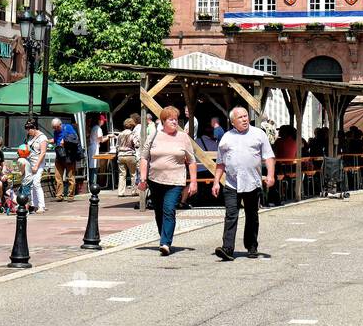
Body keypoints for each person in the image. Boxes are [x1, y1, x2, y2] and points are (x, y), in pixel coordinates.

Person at [213, 106, 276, 260]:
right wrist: (216, 182)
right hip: (232, 183)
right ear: (233, 122)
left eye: (246, 116)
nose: (244, 119)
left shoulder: (258, 134)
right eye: (240, 117)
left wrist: (271, 175)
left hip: (252, 183)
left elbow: (268, 157)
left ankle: (252, 246)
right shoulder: (226, 138)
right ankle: (227, 248)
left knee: (252, 215)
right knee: (231, 215)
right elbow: (220, 163)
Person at [137, 105, 199, 256]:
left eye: (176, 120)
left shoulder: (183, 137)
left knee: (169, 209)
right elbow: (144, 157)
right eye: (171, 119)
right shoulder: (154, 135)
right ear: (163, 121)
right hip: (155, 180)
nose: (174, 122)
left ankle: (165, 243)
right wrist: (143, 178)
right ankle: (163, 237)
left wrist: (193, 181)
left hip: (176, 180)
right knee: (158, 212)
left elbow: (191, 161)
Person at [51, 117, 81, 202]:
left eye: (57, 127)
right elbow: (56, 141)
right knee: (58, 176)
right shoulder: (55, 132)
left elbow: (75, 138)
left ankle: (70, 196)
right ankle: (59, 195)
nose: (56, 129)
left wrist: (65, 140)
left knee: (70, 177)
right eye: (54, 127)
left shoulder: (68, 127)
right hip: (59, 156)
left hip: (69, 156)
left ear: (60, 124)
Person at [24, 120, 49, 213]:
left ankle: (41, 206)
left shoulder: (42, 138)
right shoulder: (31, 137)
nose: (28, 132)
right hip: (31, 163)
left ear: (34, 128)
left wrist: (36, 166)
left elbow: (42, 153)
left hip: (39, 164)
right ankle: (34, 205)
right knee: (32, 184)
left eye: (28, 130)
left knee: (36, 183)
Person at [116, 115, 140, 196]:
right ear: (132, 125)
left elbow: (117, 145)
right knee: (133, 174)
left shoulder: (120, 134)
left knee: (122, 175)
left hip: (121, 155)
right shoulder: (132, 134)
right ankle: (133, 191)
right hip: (130, 155)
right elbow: (136, 144)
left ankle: (121, 192)